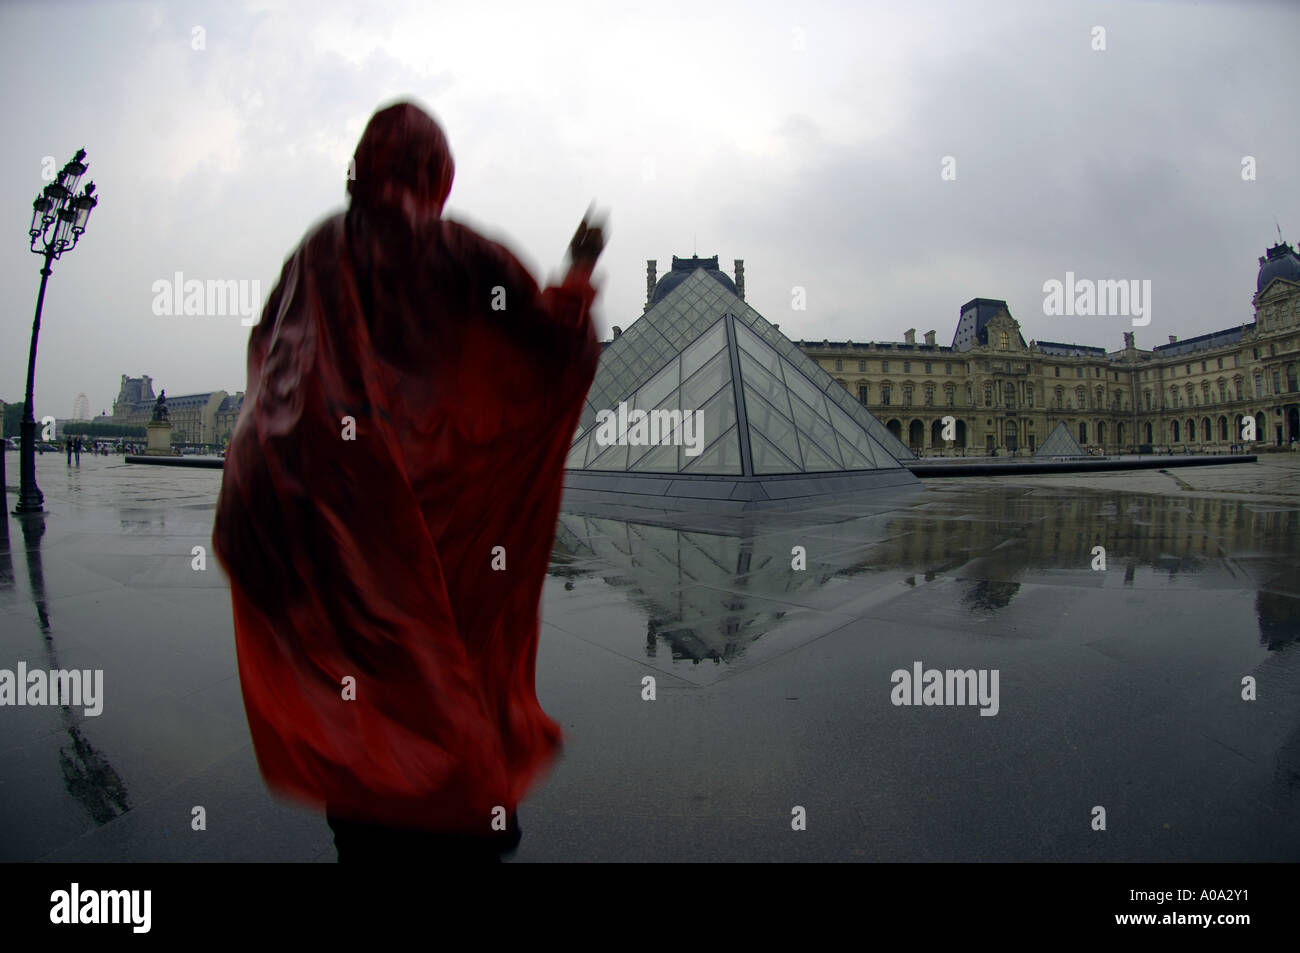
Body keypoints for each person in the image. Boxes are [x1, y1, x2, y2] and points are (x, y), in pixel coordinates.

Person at [212, 100, 605, 863]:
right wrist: (581, 266)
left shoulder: (322, 251)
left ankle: (372, 811)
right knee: (453, 670)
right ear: (438, 174)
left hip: (355, 522)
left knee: (366, 684)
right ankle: (462, 806)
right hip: (451, 522)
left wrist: (282, 496)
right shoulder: (458, 250)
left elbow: (275, 373)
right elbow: (551, 338)